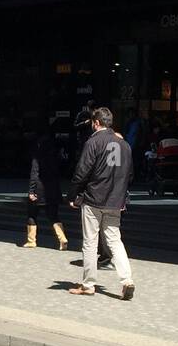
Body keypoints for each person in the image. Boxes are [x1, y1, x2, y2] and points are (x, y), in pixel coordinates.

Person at [69, 106, 135, 299]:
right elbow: (130, 175)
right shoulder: (124, 145)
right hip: (115, 200)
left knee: (90, 241)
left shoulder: (93, 142)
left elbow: (82, 172)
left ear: (96, 123)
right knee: (114, 240)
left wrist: (72, 195)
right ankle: (127, 280)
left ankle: (88, 284)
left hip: (94, 199)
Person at [24, 122, 68, 250]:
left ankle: (31, 241)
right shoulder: (55, 152)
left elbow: (34, 172)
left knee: (32, 214)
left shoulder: (38, 152)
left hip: (40, 186)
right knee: (53, 215)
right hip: (53, 187)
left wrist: (31, 190)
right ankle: (62, 238)